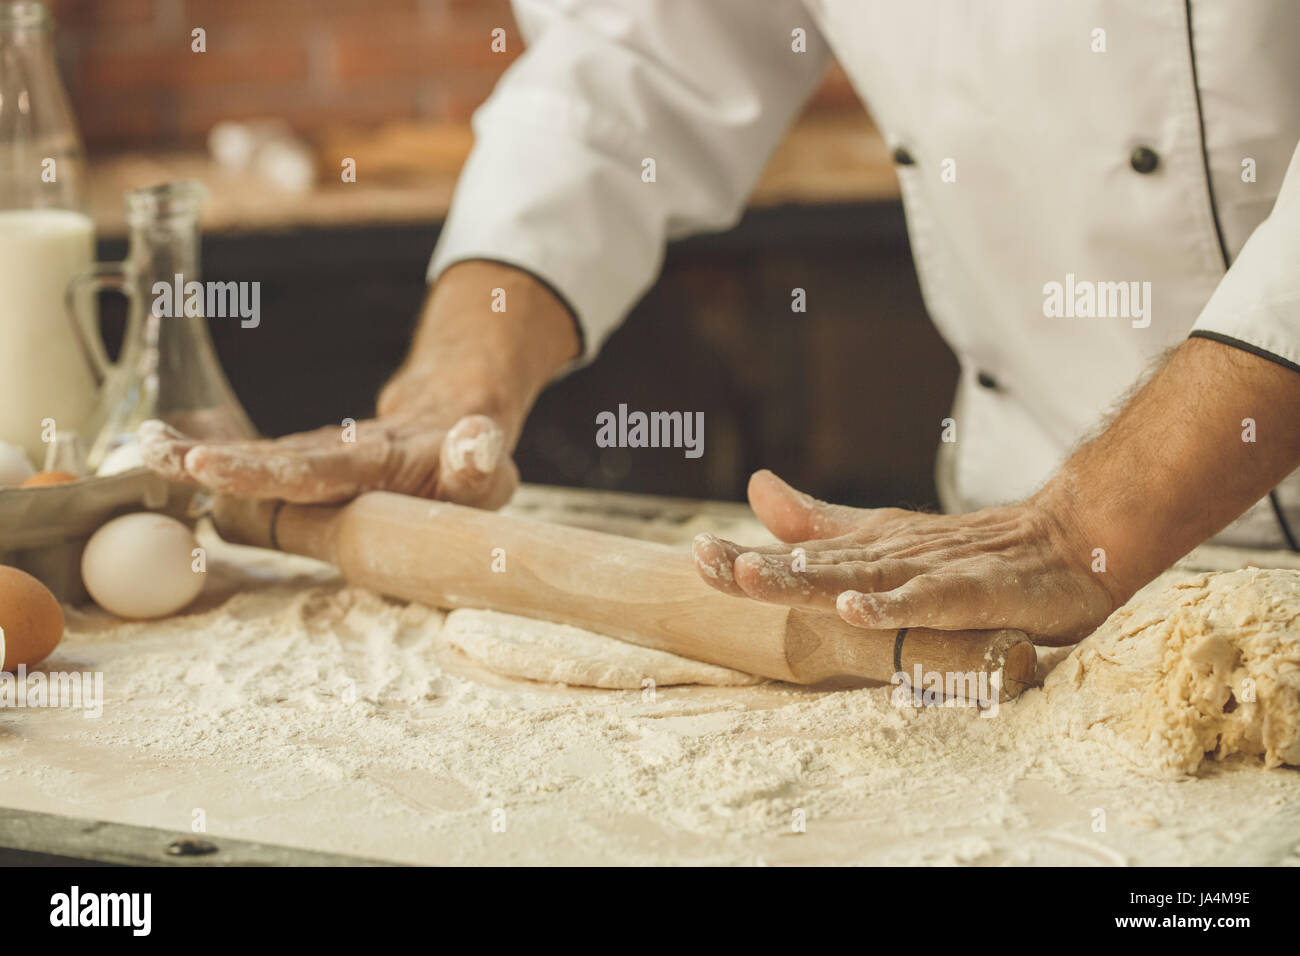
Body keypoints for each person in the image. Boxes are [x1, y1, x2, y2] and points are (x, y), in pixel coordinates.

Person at [143, 2, 1300, 644]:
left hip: (1056, 537)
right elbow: (630, 62)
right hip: (1005, 593)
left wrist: (1088, 521)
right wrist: (456, 389)